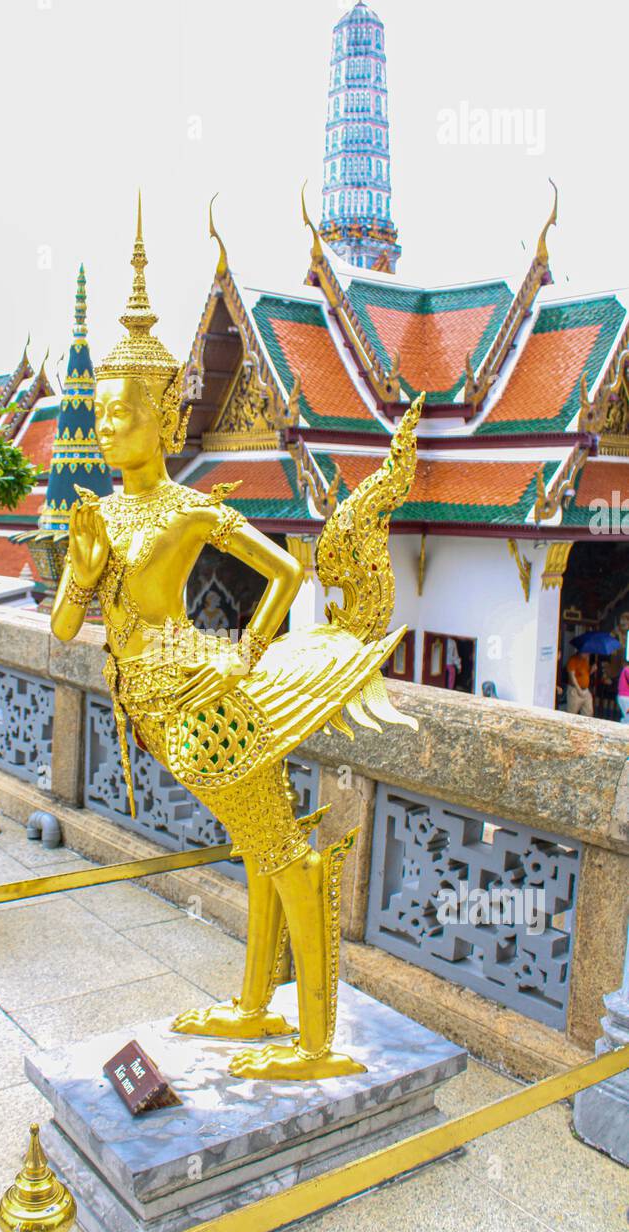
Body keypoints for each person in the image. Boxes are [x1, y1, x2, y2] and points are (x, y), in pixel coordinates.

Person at [51, 204, 421, 1081]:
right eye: (100, 412)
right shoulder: (96, 512)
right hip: (149, 699)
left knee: (284, 854)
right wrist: (80, 566)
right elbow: (68, 627)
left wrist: (243, 654)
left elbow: (285, 575)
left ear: (165, 421)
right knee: (258, 850)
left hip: (207, 702)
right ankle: (257, 1007)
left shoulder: (190, 507)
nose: (110, 428)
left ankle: (319, 1043)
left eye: (127, 412)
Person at [566, 650, 595, 717]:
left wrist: (592, 670)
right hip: (575, 690)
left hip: (585, 690)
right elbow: (572, 676)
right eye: (586, 652)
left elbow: (585, 674)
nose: (588, 654)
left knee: (589, 712)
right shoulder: (573, 660)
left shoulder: (585, 660)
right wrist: (579, 690)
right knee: (572, 713)